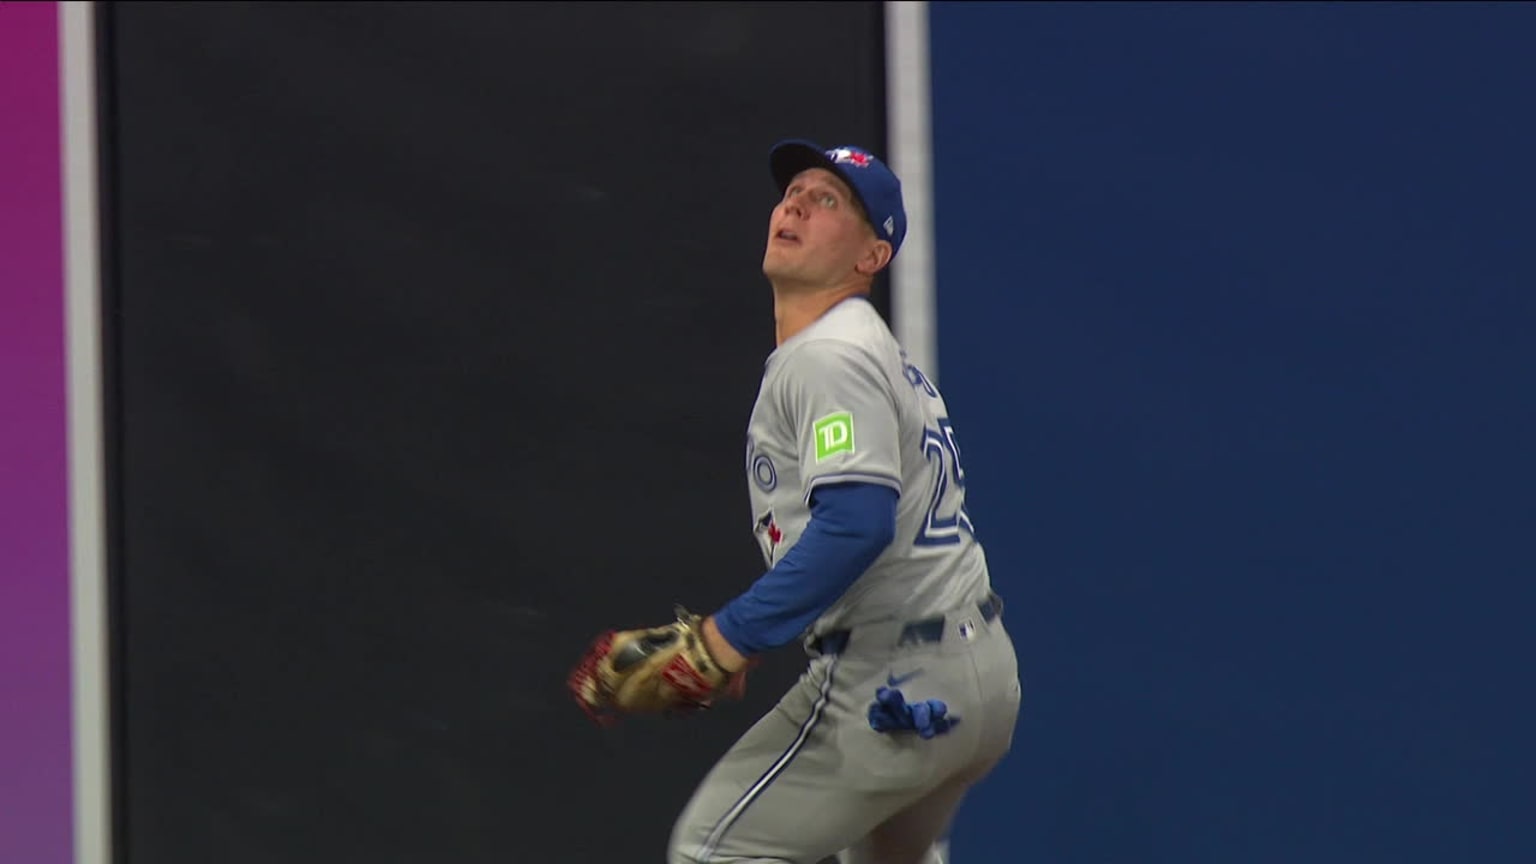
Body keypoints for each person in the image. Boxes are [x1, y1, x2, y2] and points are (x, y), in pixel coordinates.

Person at [662, 139, 1023, 864]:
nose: (795, 203)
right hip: (973, 670)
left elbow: (856, 524)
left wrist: (727, 640)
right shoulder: (869, 349)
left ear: (871, 257)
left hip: (897, 677)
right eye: (793, 191)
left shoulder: (831, 354)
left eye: (828, 200)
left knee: (713, 852)